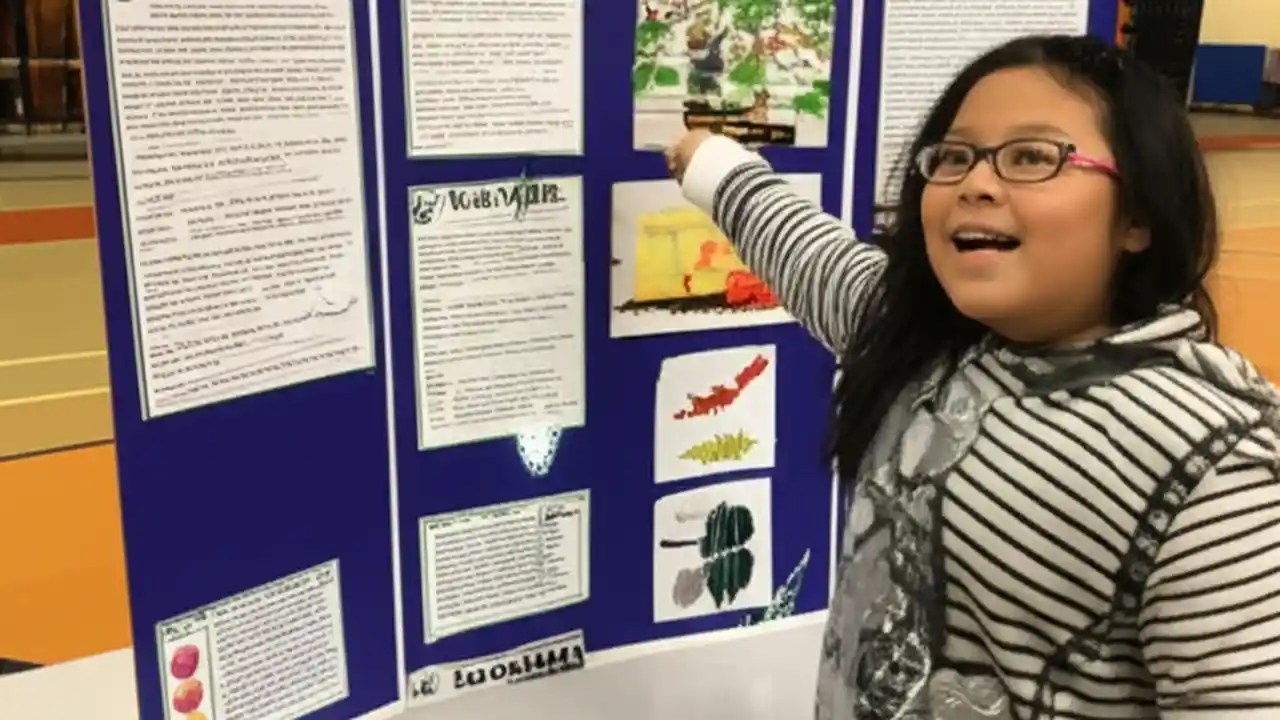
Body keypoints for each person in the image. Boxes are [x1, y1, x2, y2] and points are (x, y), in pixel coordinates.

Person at [664, 34, 1280, 720]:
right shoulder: (930, 349)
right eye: (954, 157)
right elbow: (817, 260)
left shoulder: (1211, 466)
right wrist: (708, 162)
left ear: (1138, 213)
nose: (976, 183)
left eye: (1032, 157)